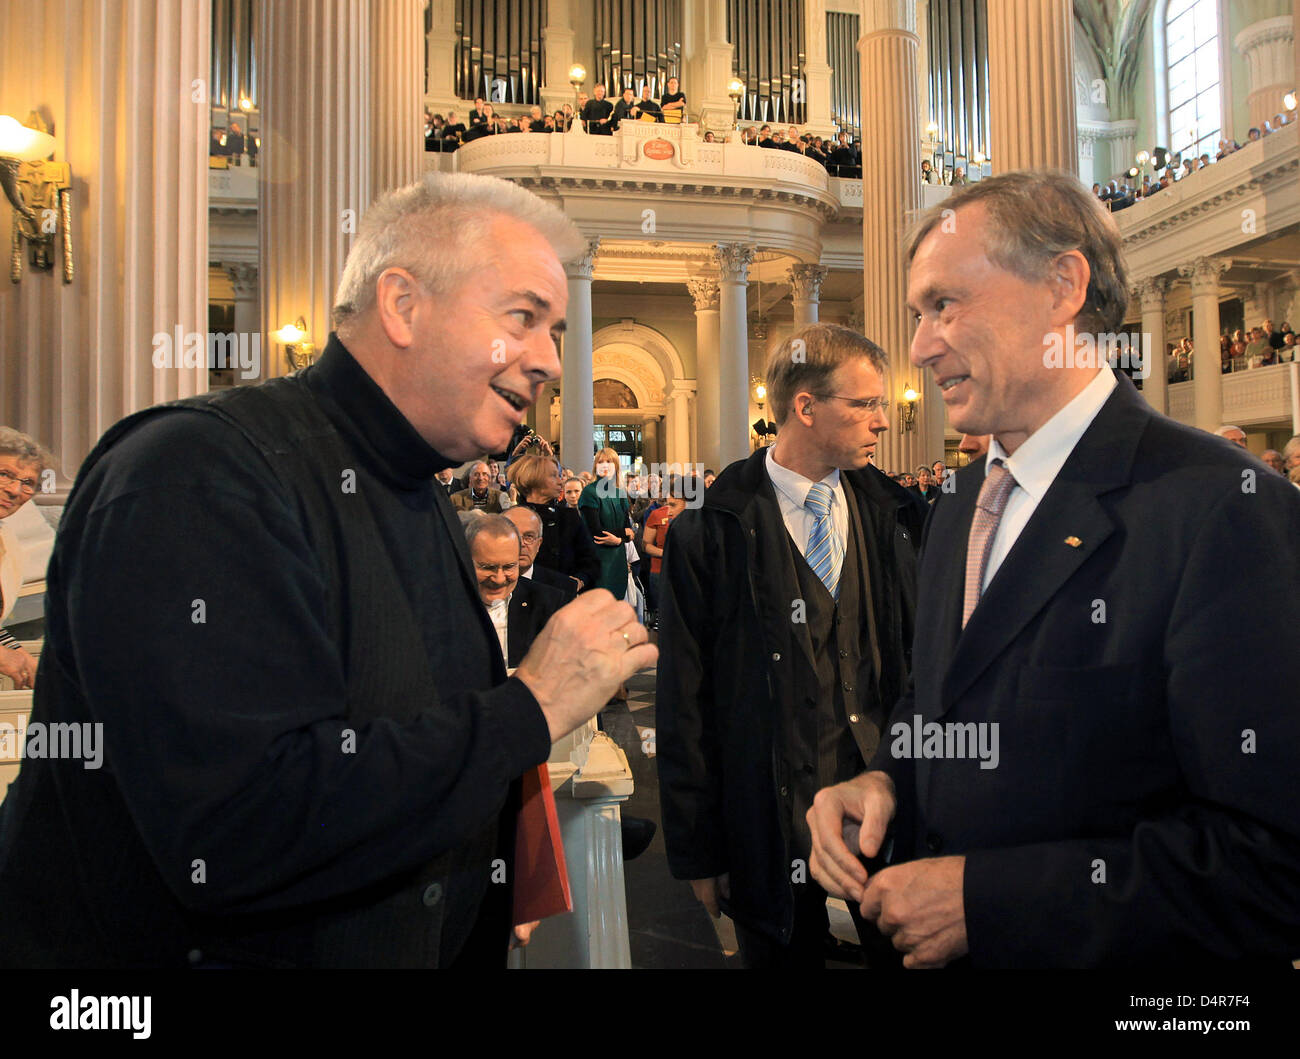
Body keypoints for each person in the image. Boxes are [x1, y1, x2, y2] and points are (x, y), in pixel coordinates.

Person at [0, 171, 657, 969]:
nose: (551, 360)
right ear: (402, 304)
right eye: (524, 317)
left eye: (555, 330)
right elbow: (236, 828)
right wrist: (533, 703)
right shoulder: (196, 470)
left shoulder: (413, 483)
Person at [806, 169, 1300, 968]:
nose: (922, 345)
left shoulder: (1222, 509)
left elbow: (1272, 861)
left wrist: (986, 901)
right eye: (918, 314)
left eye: (945, 304)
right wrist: (888, 779)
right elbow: (941, 696)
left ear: (1063, 284)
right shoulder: (962, 500)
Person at [658, 323, 923, 968]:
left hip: (883, 806)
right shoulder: (710, 531)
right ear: (804, 407)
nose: (882, 422)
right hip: (766, 817)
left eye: (882, 404)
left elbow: (918, 672)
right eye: (864, 404)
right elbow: (685, 701)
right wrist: (702, 850)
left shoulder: (898, 517)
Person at [0, 428, 53, 690]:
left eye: (27, 483)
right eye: (4, 475)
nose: (14, 490)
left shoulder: (6, 539)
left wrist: (19, 653)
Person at [508, 453, 599, 594]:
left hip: (561, 595)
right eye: (553, 476)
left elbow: (590, 560)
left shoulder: (569, 517)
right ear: (535, 478)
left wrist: (579, 581)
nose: (561, 482)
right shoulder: (512, 517)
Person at [578, 447, 633, 599]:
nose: (605, 465)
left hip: (618, 560)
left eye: (609, 462)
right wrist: (622, 535)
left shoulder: (620, 493)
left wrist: (620, 538)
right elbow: (596, 531)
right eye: (600, 462)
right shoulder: (589, 492)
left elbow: (630, 530)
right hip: (599, 559)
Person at [503, 504, 576, 601]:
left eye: (529, 536)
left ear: (538, 544)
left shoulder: (564, 587)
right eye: (513, 535)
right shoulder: (481, 584)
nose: (521, 544)